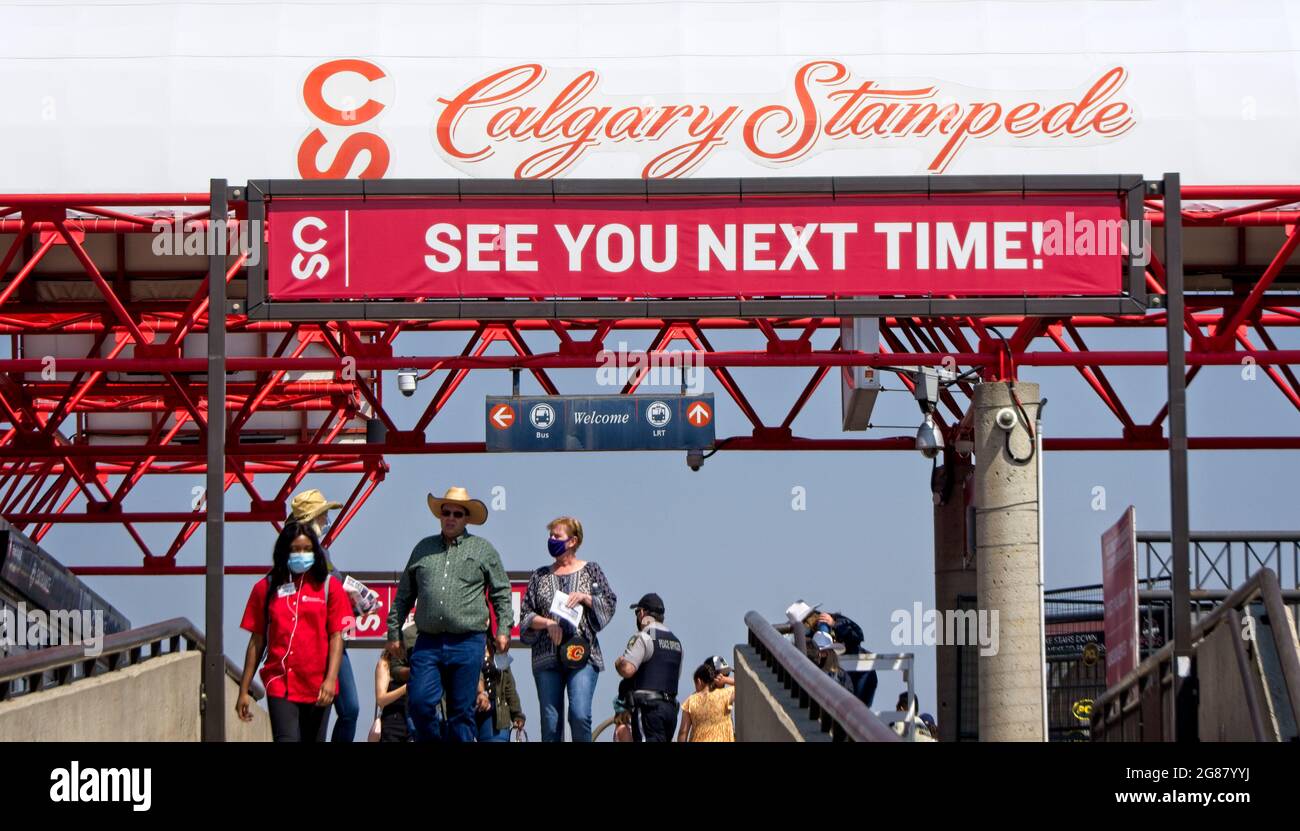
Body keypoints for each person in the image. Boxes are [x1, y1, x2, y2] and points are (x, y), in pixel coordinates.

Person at [386, 487, 513, 743]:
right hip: (428, 642)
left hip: (468, 641)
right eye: (446, 512)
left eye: (457, 513)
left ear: (466, 518)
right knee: (419, 703)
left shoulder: (482, 549)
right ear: (440, 516)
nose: (451, 517)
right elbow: (403, 596)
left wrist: (503, 629)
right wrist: (393, 632)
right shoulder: (423, 548)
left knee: (461, 714)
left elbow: (501, 590)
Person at [236, 521, 350, 742]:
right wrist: (244, 689)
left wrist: (330, 679)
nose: (301, 554)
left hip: (318, 686)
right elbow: (256, 641)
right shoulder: (266, 587)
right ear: (284, 551)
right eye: (295, 549)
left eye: (307, 549)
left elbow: (337, 636)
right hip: (280, 683)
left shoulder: (329, 587)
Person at [518, 516, 617, 742]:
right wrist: (548, 623)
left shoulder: (591, 570)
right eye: (550, 536)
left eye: (557, 536)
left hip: (582, 653)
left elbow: (609, 603)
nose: (551, 540)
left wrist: (586, 598)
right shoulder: (540, 575)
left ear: (573, 541)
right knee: (550, 723)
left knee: (579, 714)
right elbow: (525, 616)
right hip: (546, 657)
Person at [286, 488, 364, 742]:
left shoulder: (323, 552)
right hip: (313, 641)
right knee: (317, 712)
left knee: (350, 709)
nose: (326, 523)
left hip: (336, 638)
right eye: (322, 517)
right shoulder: (293, 553)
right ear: (310, 519)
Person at [614, 592, 683, 742]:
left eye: (637, 612)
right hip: (670, 710)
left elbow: (627, 670)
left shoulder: (644, 636)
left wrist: (619, 663)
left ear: (643, 613)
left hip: (648, 710)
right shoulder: (676, 643)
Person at [375, 615, 419, 742]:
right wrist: (406, 688)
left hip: (411, 719)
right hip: (393, 722)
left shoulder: (409, 664)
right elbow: (381, 700)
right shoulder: (384, 665)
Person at [475, 640, 525, 742]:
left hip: (497, 716)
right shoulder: (467, 648)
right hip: (471, 711)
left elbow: (509, 687)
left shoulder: (499, 653)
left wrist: (517, 715)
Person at [677, 661, 736, 743]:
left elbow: (683, 732)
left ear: (699, 681)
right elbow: (743, 684)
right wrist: (725, 680)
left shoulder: (690, 701)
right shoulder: (725, 694)